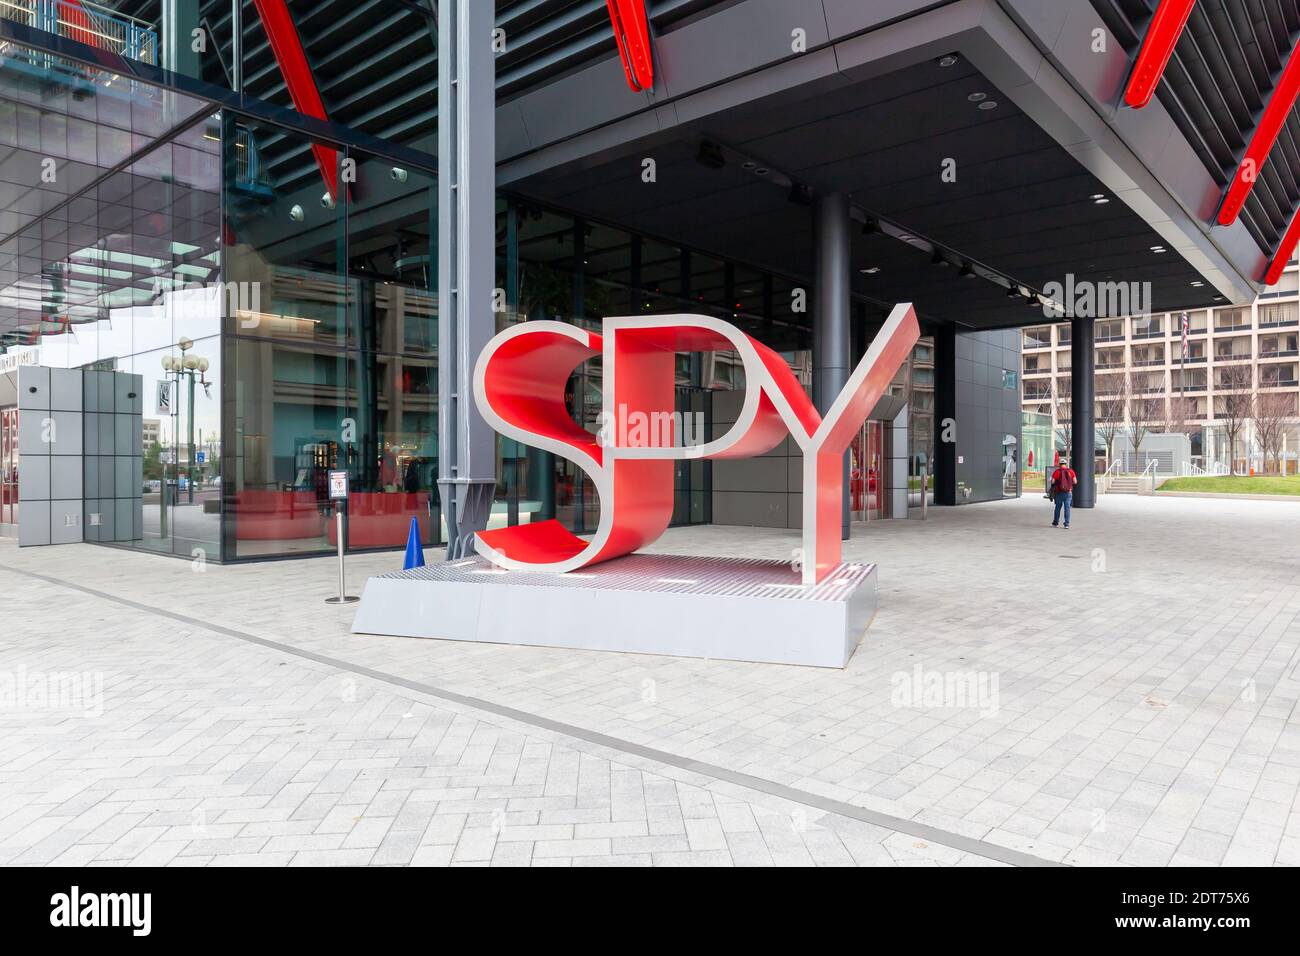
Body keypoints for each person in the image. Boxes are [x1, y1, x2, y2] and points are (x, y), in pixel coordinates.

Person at [1050, 458, 1077, 529]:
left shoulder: (1057, 472)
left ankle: (1055, 523)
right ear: (1065, 464)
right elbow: (1075, 481)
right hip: (1068, 492)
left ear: (1059, 465)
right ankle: (1066, 524)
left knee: (1058, 508)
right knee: (1067, 508)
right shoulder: (1071, 471)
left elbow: (1052, 481)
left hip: (1059, 492)